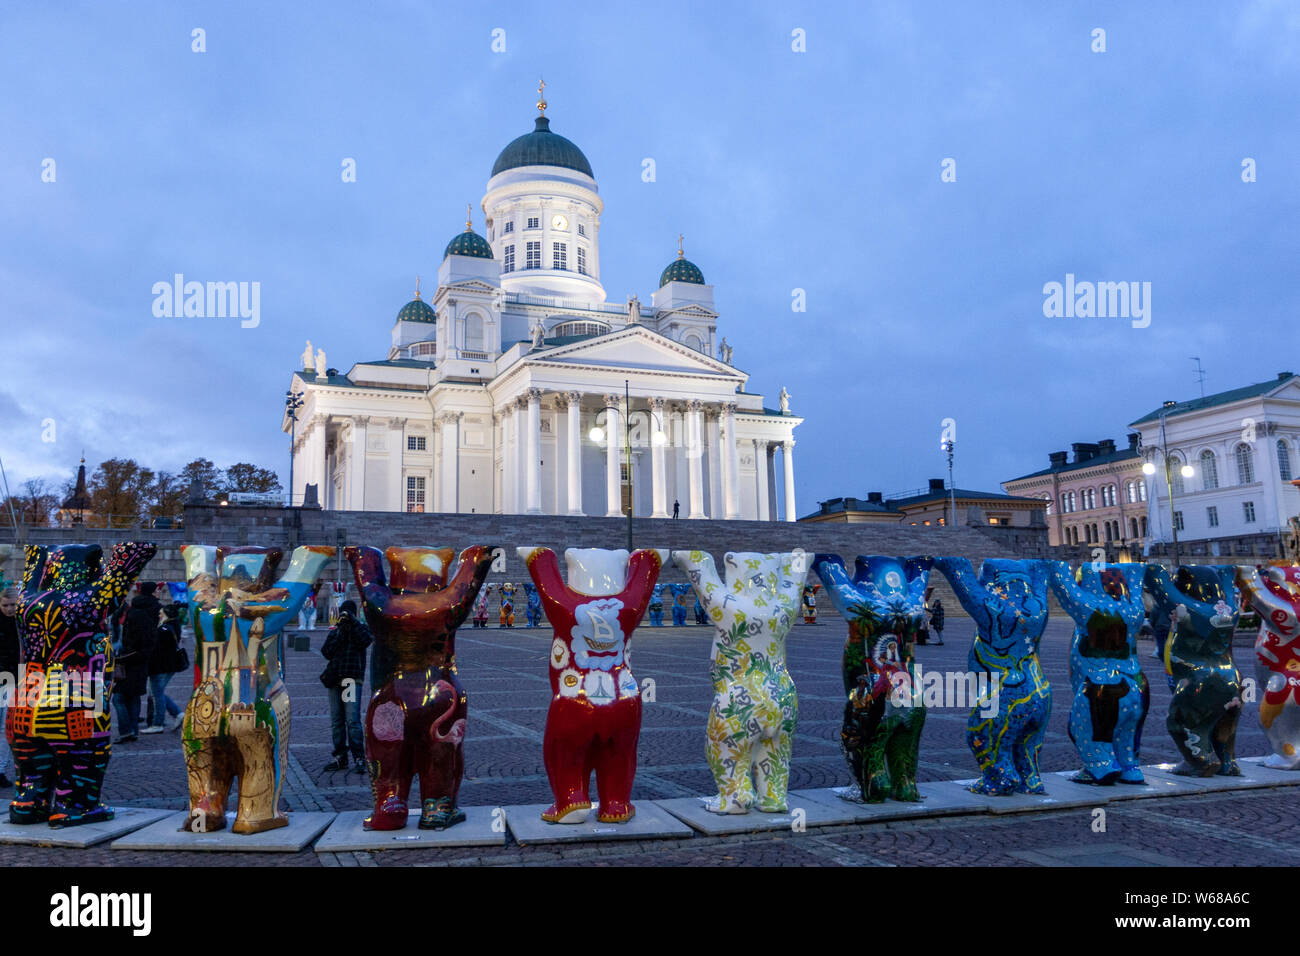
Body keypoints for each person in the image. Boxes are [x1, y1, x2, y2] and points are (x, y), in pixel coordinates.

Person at [320, 600, 372, 773]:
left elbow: (365, 640)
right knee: (337, 721)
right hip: (335, 680)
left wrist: (353, 623)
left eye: (347, 613)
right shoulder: (336, 631)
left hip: (350, 680)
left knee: (352, 720)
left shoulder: (360, 629)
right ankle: (340, 757)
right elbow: (326, 652)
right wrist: (341, 630)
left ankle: (359, 757)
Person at [114, 582, 160, 743]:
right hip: (144, 659)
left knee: (118, 697)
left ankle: (126, 731)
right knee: (132, 696)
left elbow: (130, 639)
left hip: (131, 658)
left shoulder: (135, 612)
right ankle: (132, 731)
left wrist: (125, 655)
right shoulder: (154, 610)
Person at [141, 604, 184, 734]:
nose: (159, 615)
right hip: (168, 665)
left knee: (156, 694)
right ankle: (177, 713)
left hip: (161, 667)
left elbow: (157, 649)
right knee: (157, 692)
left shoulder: (164, 629)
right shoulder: (173, 625)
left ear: (167, 614)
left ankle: (158, 723)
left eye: (161, 613)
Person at [0, 588, 20, 788]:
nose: (9, 609)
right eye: (5, 605)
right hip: (5, 679)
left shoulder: (24, 623)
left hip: (18, 680)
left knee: (9, 727)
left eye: (13, 605)